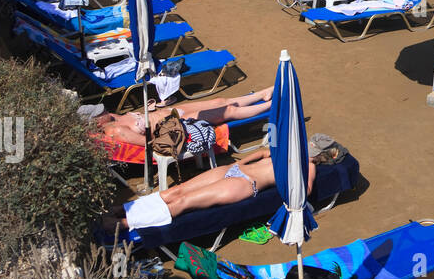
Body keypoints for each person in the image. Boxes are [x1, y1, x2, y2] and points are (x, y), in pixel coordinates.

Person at [101, 140, 343, 232]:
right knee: (174, 191)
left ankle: (124, 224)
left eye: (311, 147)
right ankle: (124, 209)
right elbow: (260, 153)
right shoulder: (290, 148)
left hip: (244, 184)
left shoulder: (307, 166)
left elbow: (306, 191)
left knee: (183, 203)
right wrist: (241, 163)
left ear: (318, 155)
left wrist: (291, 177)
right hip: (231, 171)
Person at [87, 87, 275, 146]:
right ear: (95, 122)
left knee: (220, 101)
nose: (103, 111)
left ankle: (262, 94)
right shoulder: (115, 130)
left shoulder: (111, 117)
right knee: (229, 112)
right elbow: (148, 144)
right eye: (98, 114)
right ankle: (272, 104)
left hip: (172, 112)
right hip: (176, 125)